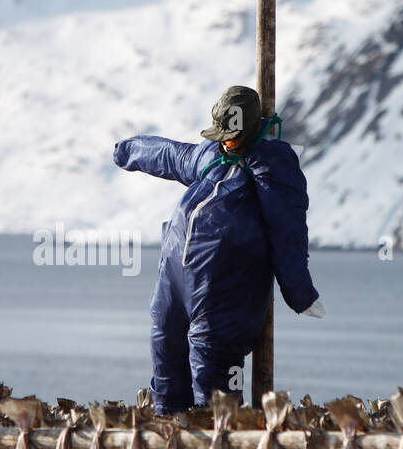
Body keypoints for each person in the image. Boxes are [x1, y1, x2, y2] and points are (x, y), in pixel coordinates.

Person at [113, 85, 323, 415]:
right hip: (174, 287)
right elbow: (171, 155)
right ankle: (169, 443)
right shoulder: (211, 156)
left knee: (215, 395)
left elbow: (289, 231)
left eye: (232, 135)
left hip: (226, 298)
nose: (226, 141)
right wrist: (128, 150)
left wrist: (300, 293)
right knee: (166, 367)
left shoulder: (273, 167)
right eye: (222, 134)